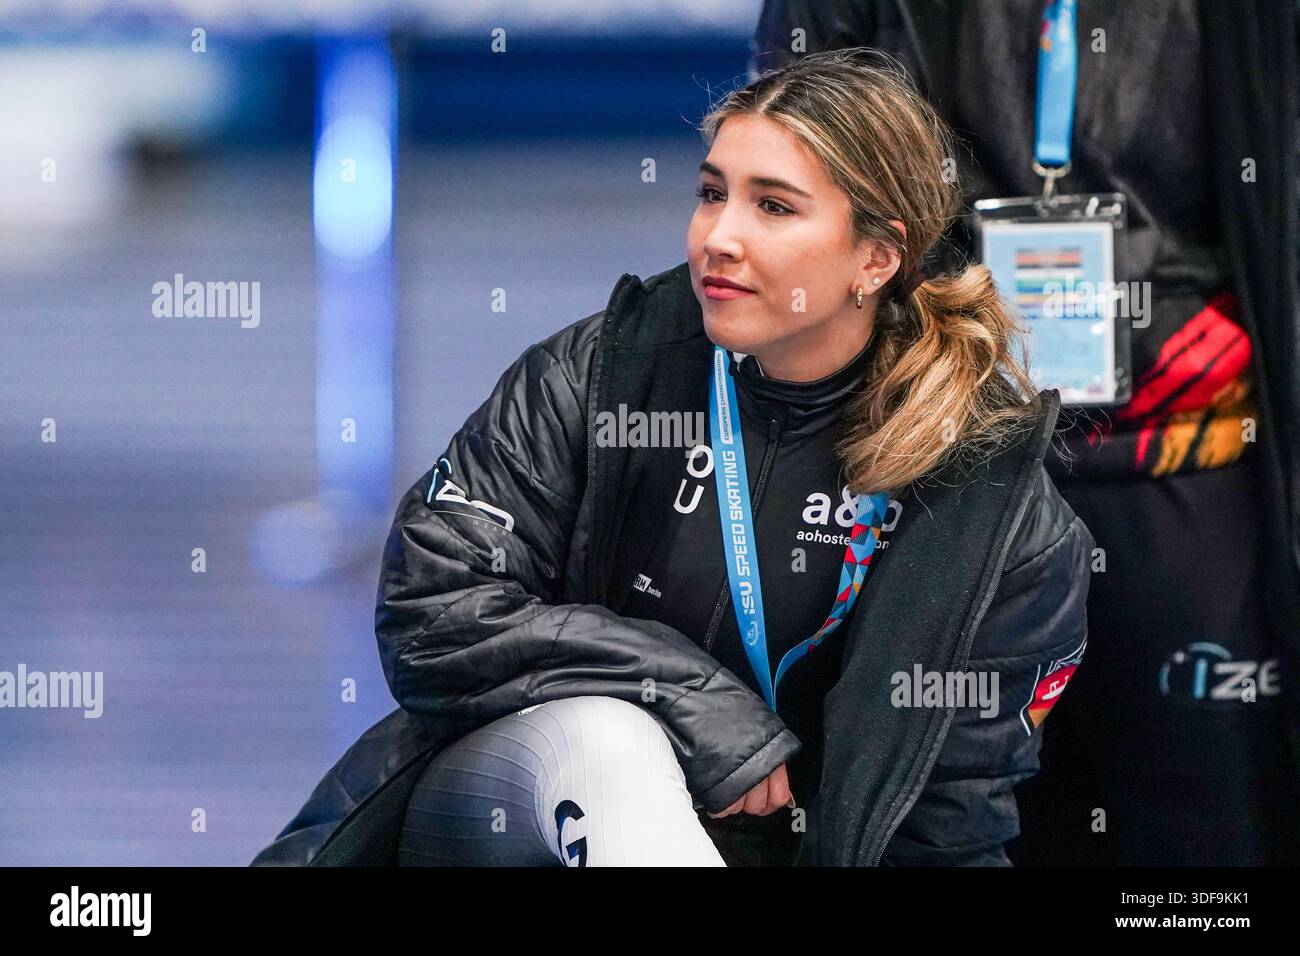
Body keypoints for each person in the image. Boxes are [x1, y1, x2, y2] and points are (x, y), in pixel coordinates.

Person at [250, 49, 1094, 867]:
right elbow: (432, 611)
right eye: (711, 193)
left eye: (774, 207)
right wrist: (690, 698)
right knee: (611, 739)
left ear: (876, 258)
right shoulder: (601, 371)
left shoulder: (1000, 517)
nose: (718, 236)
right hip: (517, 808)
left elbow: (944, 831)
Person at [748, 0, 1300, 865]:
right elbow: (790, 164)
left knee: (1208, 846)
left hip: (1198, 456)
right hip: (950, 455)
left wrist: (1244, 318)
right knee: (951, 821)